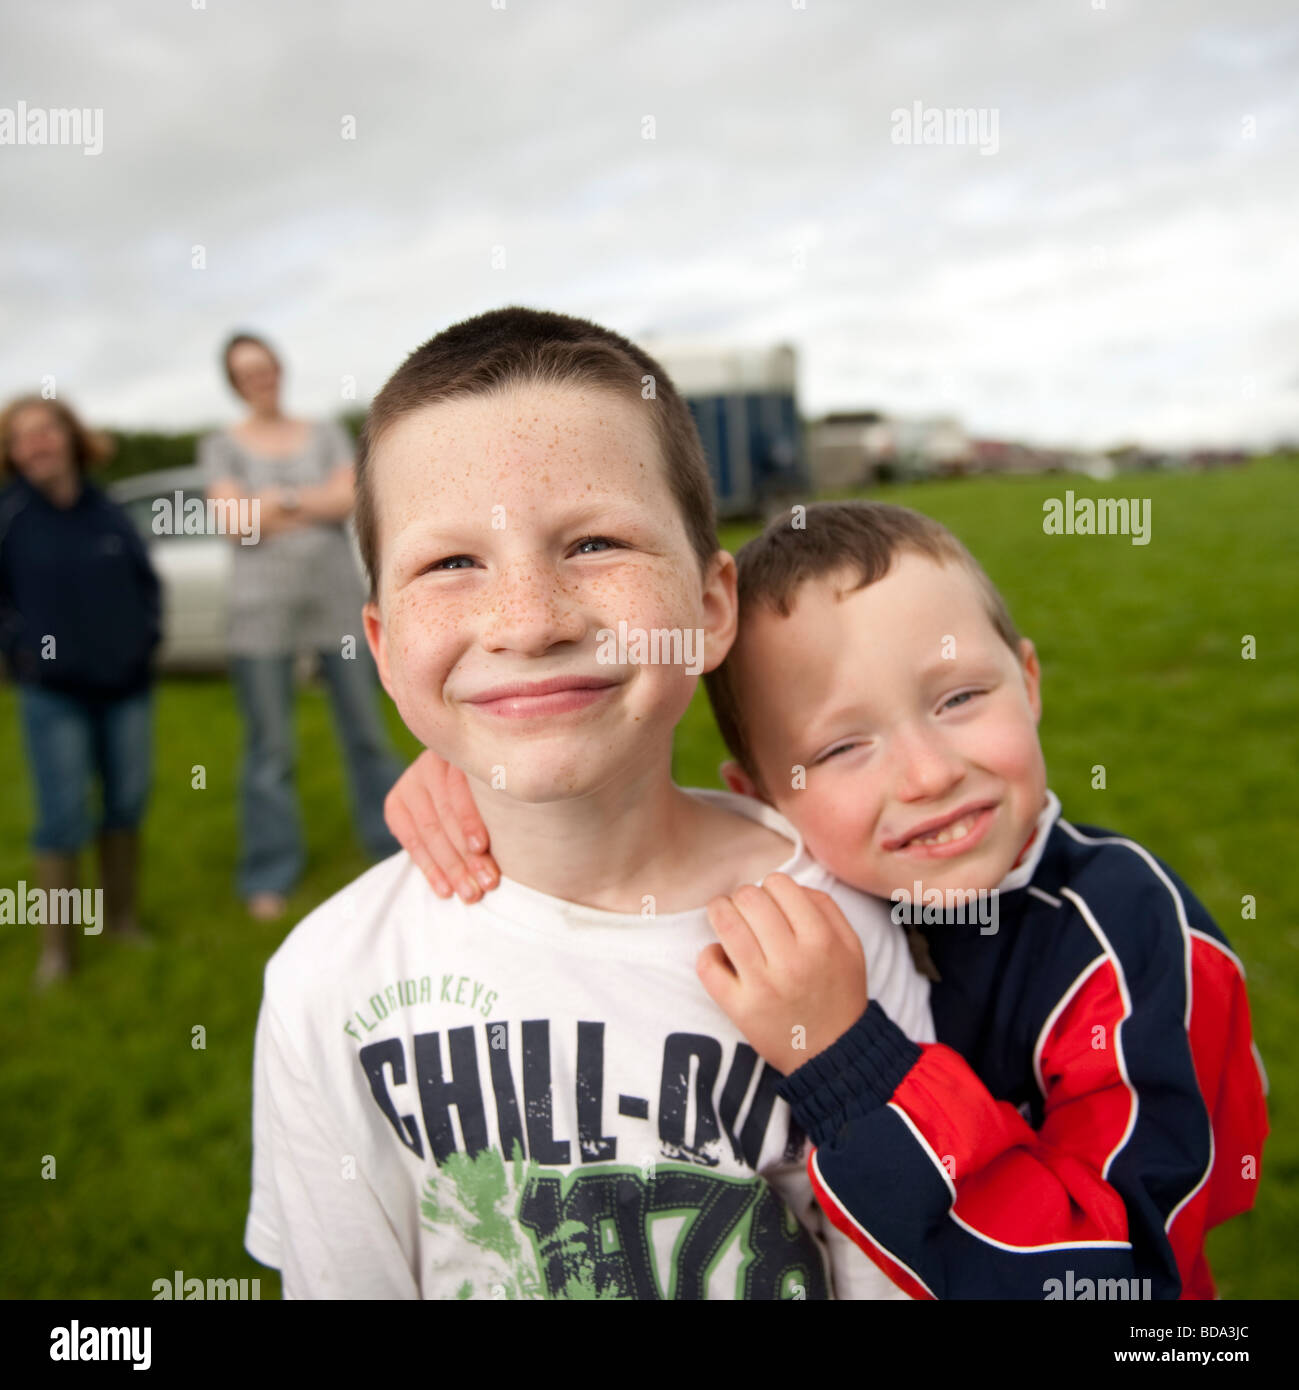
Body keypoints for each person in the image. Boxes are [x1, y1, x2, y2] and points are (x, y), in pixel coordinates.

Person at [388, 501, 1269, 1300]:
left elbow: (1115, 1280)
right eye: (843, 748)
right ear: (767, 797)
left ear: (1030, 680)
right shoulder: (809, 869)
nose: (928, 775)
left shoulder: (1131, 943)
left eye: (960, 698)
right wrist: (488, 785)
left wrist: (853, 1063)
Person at [243, 307, 933, 1299]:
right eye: (451, 563)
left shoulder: (841, 928)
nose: (527, 622)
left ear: (708, 606)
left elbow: (902, 1263)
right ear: (385, 646)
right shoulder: (327, 981)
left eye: (596, 542)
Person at [199, 332, 403, 920]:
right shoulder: (221, 444)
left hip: (339, 605)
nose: (259, 378)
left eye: (265, 366)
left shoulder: (325, 432)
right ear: (234, 382)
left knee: (368, 732)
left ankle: (392, 849)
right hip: (259, 615)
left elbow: (350, 500)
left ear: (279, 369)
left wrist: (272, 503)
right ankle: (269, 870)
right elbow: (233, 520)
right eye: (246, 372)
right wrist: (307, 499)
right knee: (271, 748)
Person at [0, 394, 160, 986]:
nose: (37, 444)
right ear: (13, 453)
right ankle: (58, 952)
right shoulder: (9, 515)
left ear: (69, 436)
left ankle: (121, 922)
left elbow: (146, 584)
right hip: (54, 693)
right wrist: (20, 647)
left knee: (125, 804)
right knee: (62, 817)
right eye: (23, 437)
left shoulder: (108, 509)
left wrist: (147, 637)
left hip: (127, 687)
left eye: (45, 430)